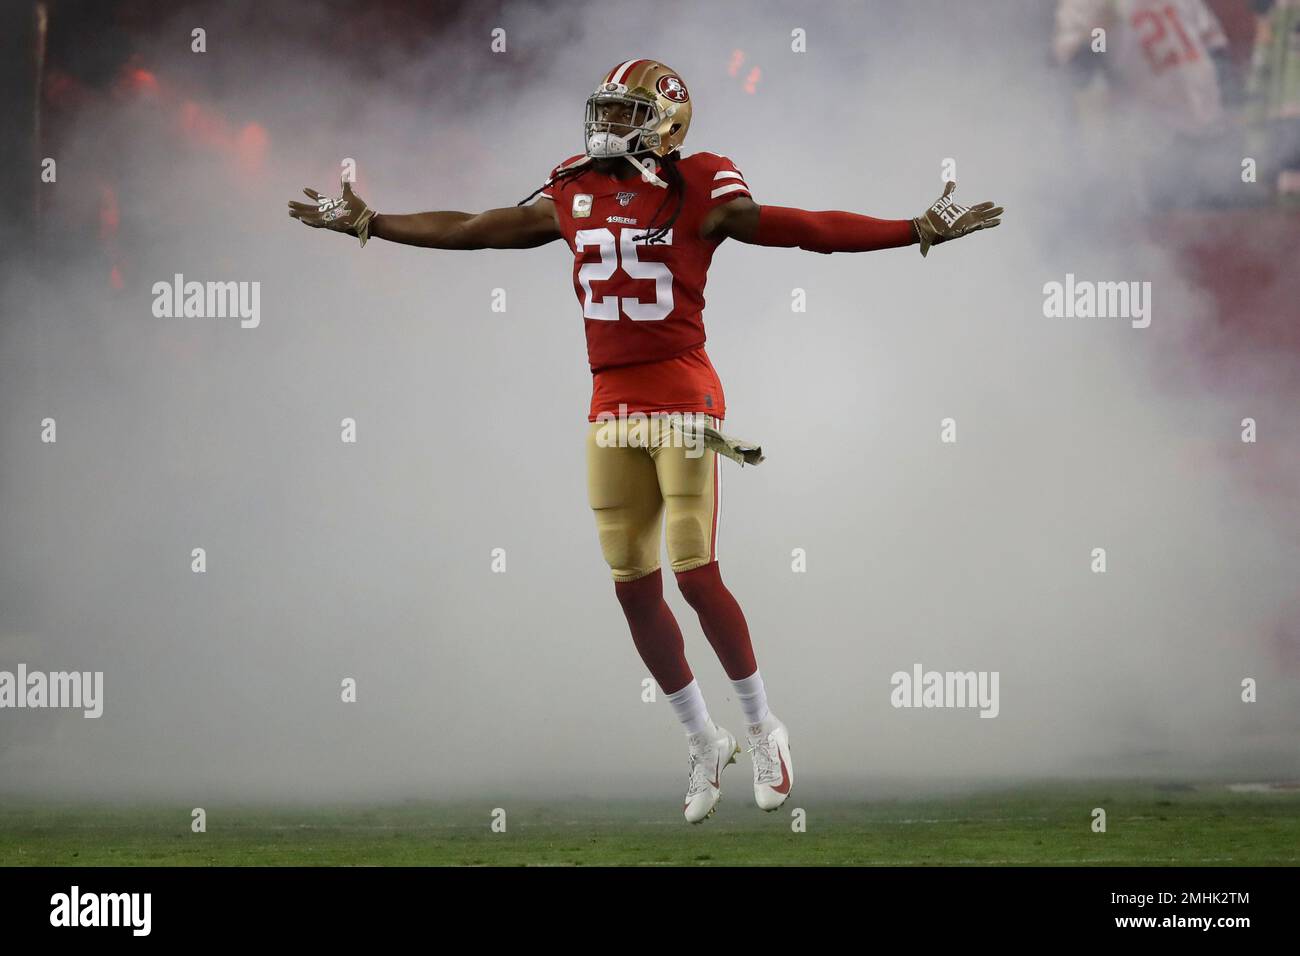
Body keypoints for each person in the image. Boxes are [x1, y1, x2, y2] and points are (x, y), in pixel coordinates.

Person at [289, 59, 1002, 823]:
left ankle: (764, 728)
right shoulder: (573, 188)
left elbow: (807, 231)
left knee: (694, 573)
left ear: (668, 121)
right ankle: (703, 740)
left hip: (683, 395)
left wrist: (913, 232)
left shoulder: (701, 184)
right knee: (633, 588)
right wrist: (374, 223)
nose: (609, 125)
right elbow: (475, 229)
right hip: (611, 403)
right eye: (606, 109)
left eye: (628, 112)